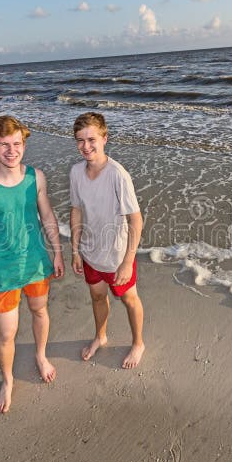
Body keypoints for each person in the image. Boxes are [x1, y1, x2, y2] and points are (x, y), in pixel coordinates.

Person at [0, 115, 64, 413]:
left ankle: (41, 355)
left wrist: (57, 252)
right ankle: (7, 380)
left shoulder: (37, 177)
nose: (12, 151)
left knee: (39, 311)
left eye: (17, 144)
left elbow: (46, 216)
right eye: (4, 145)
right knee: (7, 332)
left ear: (24, 144)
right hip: (3, 271)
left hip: (35, 263)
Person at [69, 112, 145, 369]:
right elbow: (76, 210)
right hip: (91, 252)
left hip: (116, 255)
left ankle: (138, 343)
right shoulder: (76, 172)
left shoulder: (117, 174)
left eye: (92, 139)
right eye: (80, 140)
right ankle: (100, 337)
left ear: (104, 138)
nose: (86, 146)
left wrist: (127, 262)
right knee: (97, 297)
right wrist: (76, 250)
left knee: (129, 299)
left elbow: (136, 220)